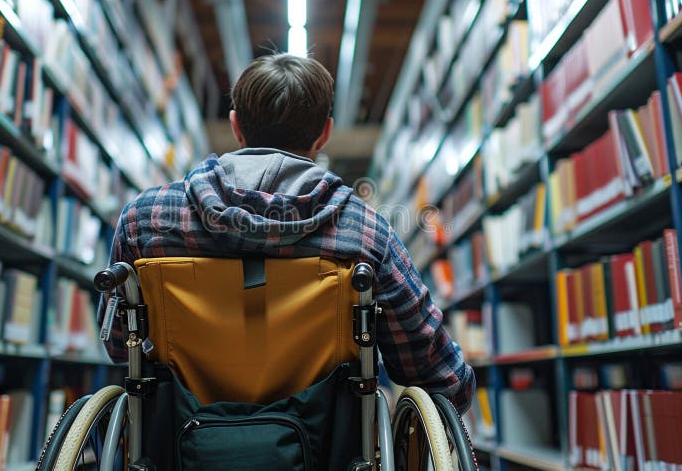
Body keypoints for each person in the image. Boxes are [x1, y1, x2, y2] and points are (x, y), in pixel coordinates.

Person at [99, 53, 475, 414]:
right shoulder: (365, 232)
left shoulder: (145, 220)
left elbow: (119, 347)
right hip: (327, 445)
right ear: (325, 133)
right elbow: (436, 374)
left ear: (235, 125)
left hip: (179, 437)